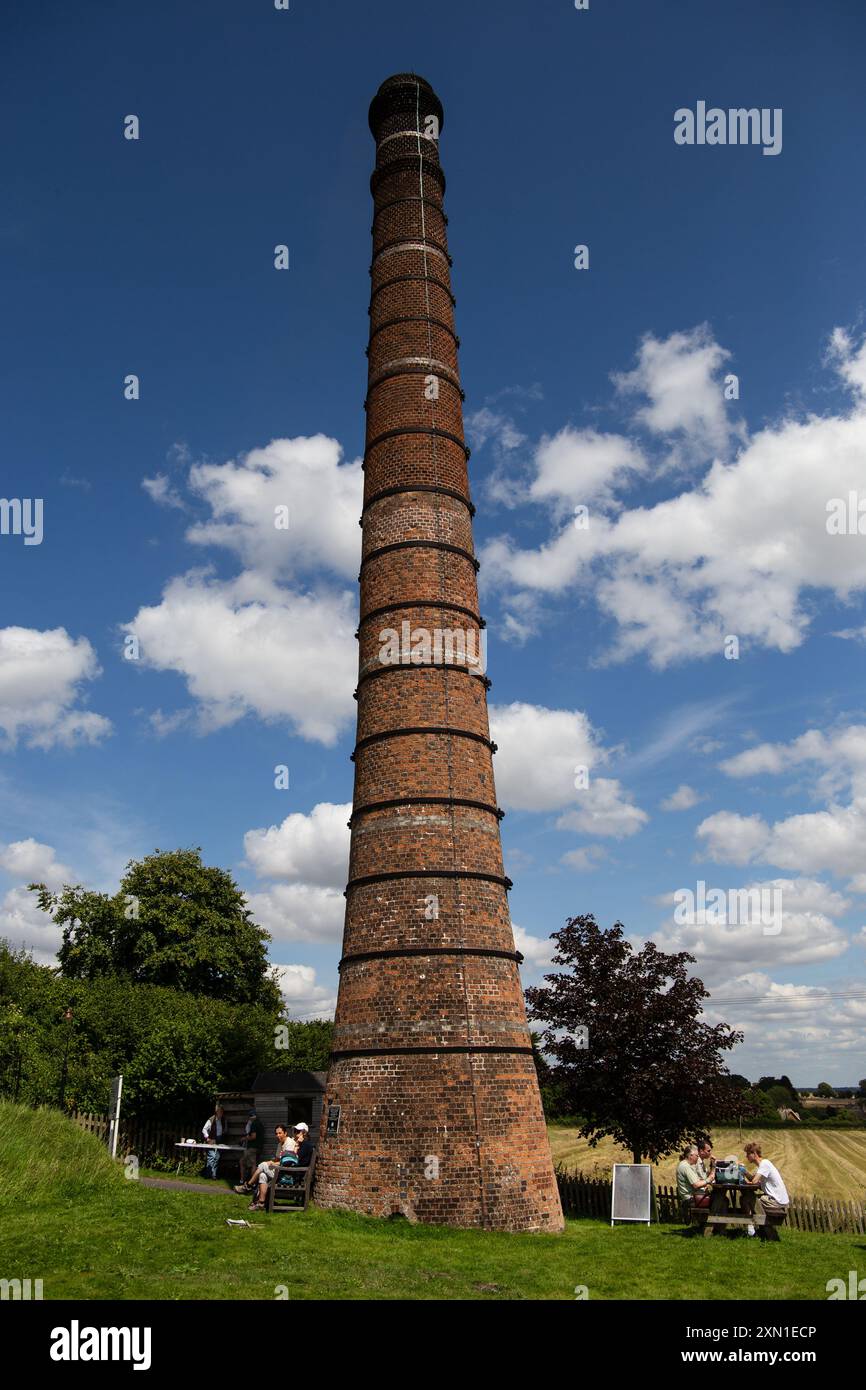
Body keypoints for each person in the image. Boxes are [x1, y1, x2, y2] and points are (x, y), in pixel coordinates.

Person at [235, 1123, 296, 1211]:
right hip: (279, 1169)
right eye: (276, 1133)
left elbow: (287, 1162)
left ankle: (248, 1186)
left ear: (285, 1133)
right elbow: (278, 1159)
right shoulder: (280, 1144)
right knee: (262, 1175)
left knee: (263, 1165)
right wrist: (272, 1161)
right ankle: (261, 1203)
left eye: (280, 1133)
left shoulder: (289, 1143)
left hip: (285, 1172)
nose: (278, 1135)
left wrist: (272, 1163)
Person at [741, 1141, 790, 1237]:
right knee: (744, 1199)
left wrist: (744, 1173)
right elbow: (754, 1180)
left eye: (748, 1154)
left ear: (754, 1154)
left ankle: (752, 1229)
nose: (746, 1156)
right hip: (775, 1199)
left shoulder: (764, 1164)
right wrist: (745, 1172)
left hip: (776, 1200)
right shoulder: (763, 1166)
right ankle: (752, 1228)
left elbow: (754, 1181)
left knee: (747, 1199)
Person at [676, 1143, 712, 1222]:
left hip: (689, 1198)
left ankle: (706, 1225)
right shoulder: (686, 1167)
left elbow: (697, 1181)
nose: (698, 1157)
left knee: (717, 1198)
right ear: (691, 1156)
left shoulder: (684, 1165)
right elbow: (696, 1185)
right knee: (717, 1200)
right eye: (697, 1155)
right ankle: (713, 1226)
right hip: (690, 1200)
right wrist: (708, 1180)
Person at [239, 1108, 265, 1186]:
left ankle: (250, 1182)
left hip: (253, 1148)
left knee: (250, 1164)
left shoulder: (254, 1124)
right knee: (247, 1163)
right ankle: (246, 1181)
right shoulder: (260, 1123)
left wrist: (244, 1138)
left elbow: (253, 1136)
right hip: (259, 1147)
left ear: (251, 1116)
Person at [201, 1104, 228, 1179]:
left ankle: (214, 1175)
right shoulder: (211, 1119)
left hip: (220, 1140)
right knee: (211, 1156)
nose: (221, 1114)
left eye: (222, 1112)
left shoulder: (223, 1120)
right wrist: (207, 1138)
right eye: (220, 1112)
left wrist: (224, 1132)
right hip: (212, 1140)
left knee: (217, 1157)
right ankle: (208, 1174)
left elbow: (225, 1130)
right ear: (216, 1112)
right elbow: (204, 1129)